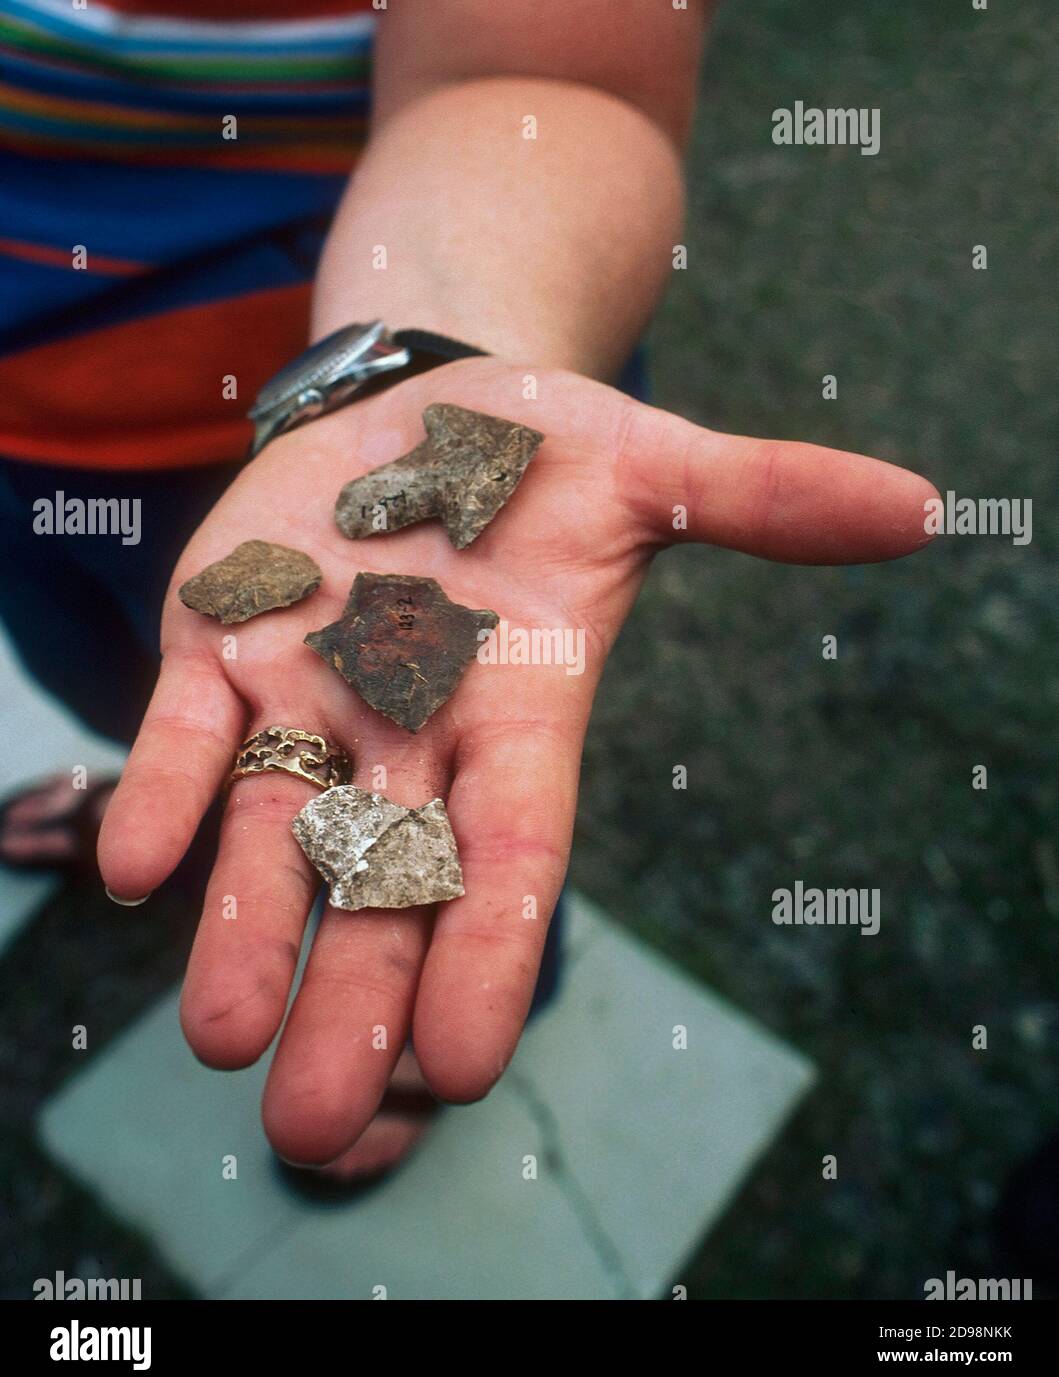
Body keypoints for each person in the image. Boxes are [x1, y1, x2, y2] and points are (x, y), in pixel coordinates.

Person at [0, 0, 936, 1183]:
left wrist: (445, 356)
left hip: (342, 385)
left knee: (475, 784)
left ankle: (439, 991)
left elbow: (546, 81)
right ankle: (169, 833)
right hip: (27, 457)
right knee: (140, 701)